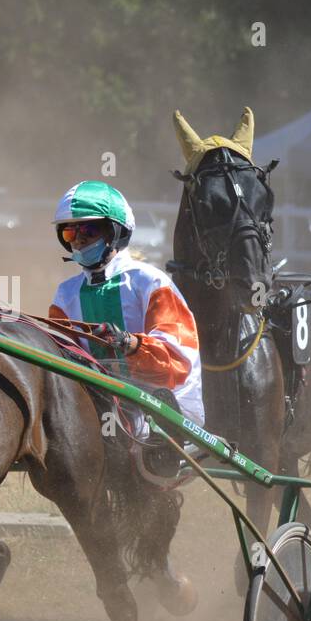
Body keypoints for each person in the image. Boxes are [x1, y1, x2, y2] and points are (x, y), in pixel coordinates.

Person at [48, 181, 204, 451]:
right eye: (70, 232)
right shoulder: (66, 295)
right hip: (99, 406)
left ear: (115, 232)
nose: (79, 239)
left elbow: (176, 365)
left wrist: (129, 344)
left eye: (88, 229)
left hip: (163, 409)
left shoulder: (151, 283)